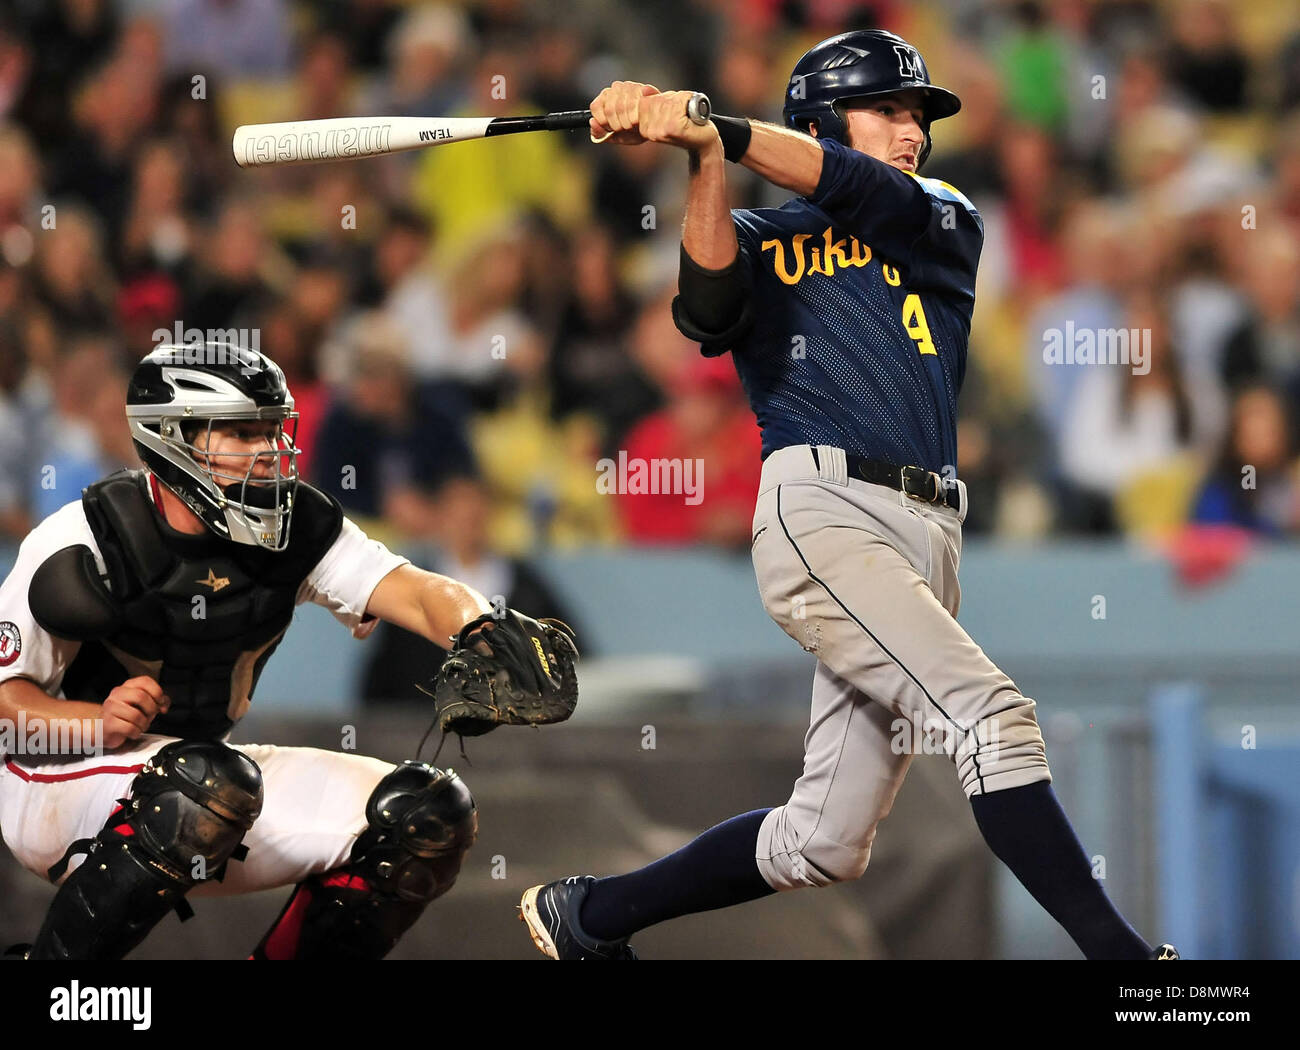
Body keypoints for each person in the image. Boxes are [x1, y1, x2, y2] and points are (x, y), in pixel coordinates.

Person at [518, 29, 1179, 961]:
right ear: (826, 118)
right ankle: (1128, 967)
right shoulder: (756, 234)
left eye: (918, 114)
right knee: (992, 720)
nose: (912, 129)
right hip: (822, 511)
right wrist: (702, 155)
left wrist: (717, 127)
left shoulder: (940, 213)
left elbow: (858, 187)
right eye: (890, 110)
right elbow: (706, 312)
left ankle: (589, 916)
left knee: (822, 841)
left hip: (928, 534)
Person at [0, 341, 547, 960]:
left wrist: (480, 627)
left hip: (206, 790)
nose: (268, 452)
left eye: (271, 430)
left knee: (424, 816)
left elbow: (416, 592)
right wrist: (96, 722)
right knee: (203, 786)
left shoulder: (299, 525)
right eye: (241, 433)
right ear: (170, 438)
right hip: (54, 782)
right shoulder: (83, 536)